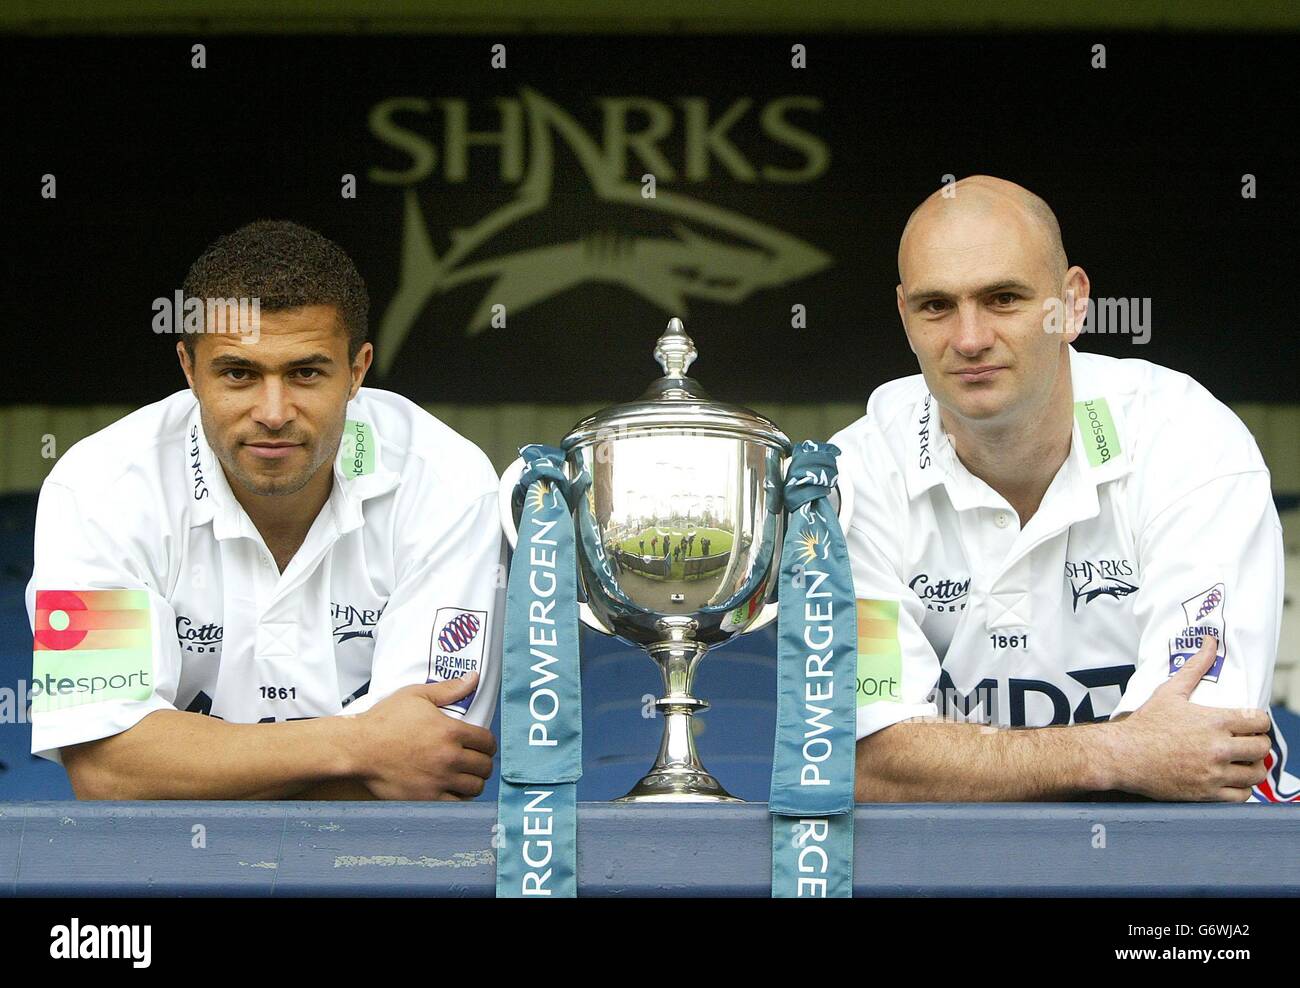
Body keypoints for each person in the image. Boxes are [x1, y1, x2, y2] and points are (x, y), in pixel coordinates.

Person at [834, 176, 1294, 802]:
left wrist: (953, 762)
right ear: (905, 316)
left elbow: (1202, 757)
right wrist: (1116, 752)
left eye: (1003, 299)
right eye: (936, 306)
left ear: (1073, 304)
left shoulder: (1187, 438)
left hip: (1179, 857)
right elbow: (865, 762)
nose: (969, 339)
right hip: (950, 860)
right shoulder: (852, 476)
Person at [27, 220, 502, 800]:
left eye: (305, 372)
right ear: (188, 369)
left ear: (357, 372)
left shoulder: (447, 480)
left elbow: (428, 768)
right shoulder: (98, 485)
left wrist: (185, 764)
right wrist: (361, 746)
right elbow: (106, 770)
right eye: (238, 373)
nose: (273, 412)